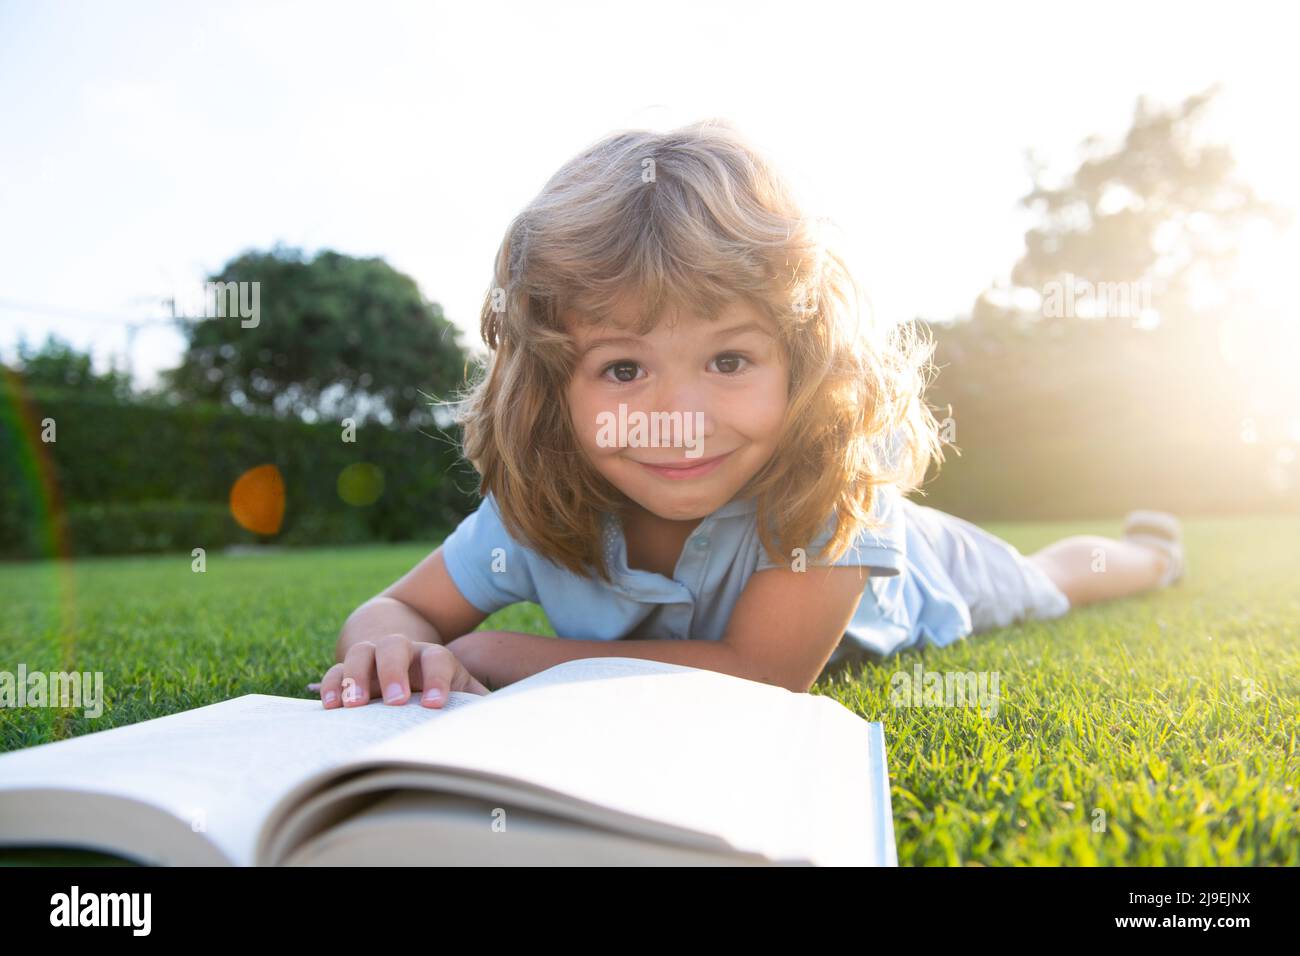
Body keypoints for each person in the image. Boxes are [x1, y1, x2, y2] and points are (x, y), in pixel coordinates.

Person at [313, 120, 1185, 710]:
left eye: (728, 360)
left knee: (1048, 583)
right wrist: (390, 646)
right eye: (622, 367)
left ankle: (1151, 551)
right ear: (550, 389)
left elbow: (761, 676)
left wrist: (504, 658)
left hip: (925, 574)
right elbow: (393, 609)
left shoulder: (834, 477)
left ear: (798, 362)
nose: (679, 419)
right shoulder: (532, 513)